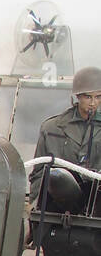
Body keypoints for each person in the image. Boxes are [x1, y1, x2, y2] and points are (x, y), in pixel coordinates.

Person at [28, 65, 101, 203]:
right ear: (78, 96)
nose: (93, 103)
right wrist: (34, 204)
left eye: (98, 97)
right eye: (88, 97)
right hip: (57, 204)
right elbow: (38, 173)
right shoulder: (53, 128)